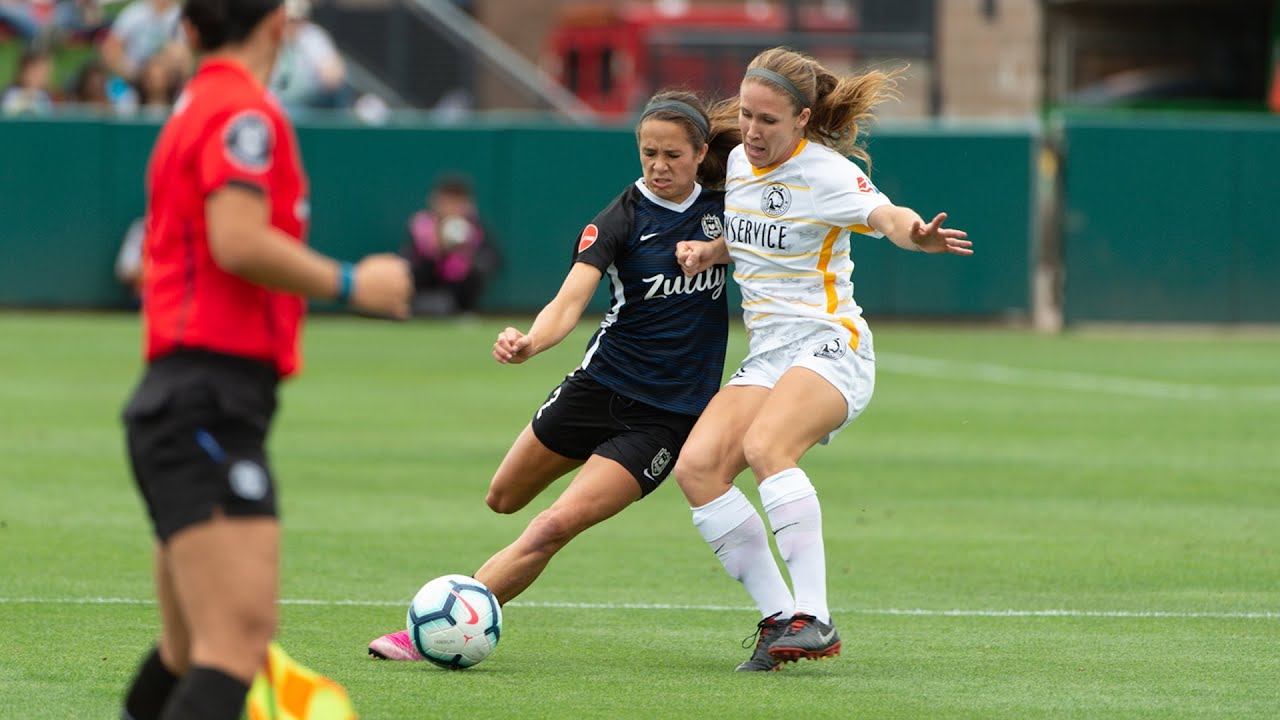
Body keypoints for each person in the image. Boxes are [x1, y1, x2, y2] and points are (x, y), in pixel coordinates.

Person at [366, 89, 740, 661]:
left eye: (672, 155)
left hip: (665, 417)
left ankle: (436, 634)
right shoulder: (618, 220)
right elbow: (569, 302)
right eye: (648, 154)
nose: (659, 167)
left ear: (701, 153)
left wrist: (717, 249)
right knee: (502, 498)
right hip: (598, 387)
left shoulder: (728, 205)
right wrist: (530, 342)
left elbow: (777, 235)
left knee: (552, 525)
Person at [118, 0, 411, 717]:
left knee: (186, 648)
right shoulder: (241, 111)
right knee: (235, 644)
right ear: (280, 26)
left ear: (189, 31)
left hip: (188, 395)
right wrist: (354, 284)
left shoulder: (196, 103)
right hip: (207, 398)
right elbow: (238, 239)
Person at [672, 46, 973, 672]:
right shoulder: (739, 161)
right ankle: (781, 619)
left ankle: (816, 616)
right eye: (746, 115)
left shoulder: (825, 172)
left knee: (766, 447)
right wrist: (711, 252)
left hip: (831, 344)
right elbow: (757, 236)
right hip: (769, 354)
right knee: (698, 468)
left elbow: (886, 214)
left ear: (802, 119)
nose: (752, 131)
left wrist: (916, 235)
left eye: (768, 120)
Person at [399, 173, 500, 316]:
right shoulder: (421, 228)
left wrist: (467, 255)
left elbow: (493, 260)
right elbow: (409, 271)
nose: (452, 208)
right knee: (436, 304)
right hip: (426, 294)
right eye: (447, 202)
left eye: (457, 202)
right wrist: (436, 252)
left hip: (460, 297)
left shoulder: (476, 229)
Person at [267, 0, 348, 115]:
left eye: (298, 19)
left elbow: (333, 74)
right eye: (289, 20)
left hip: (308, 103)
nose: (293, 25)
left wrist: (330, 72)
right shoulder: (268, 37)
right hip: (273, 101)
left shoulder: (313, 36)